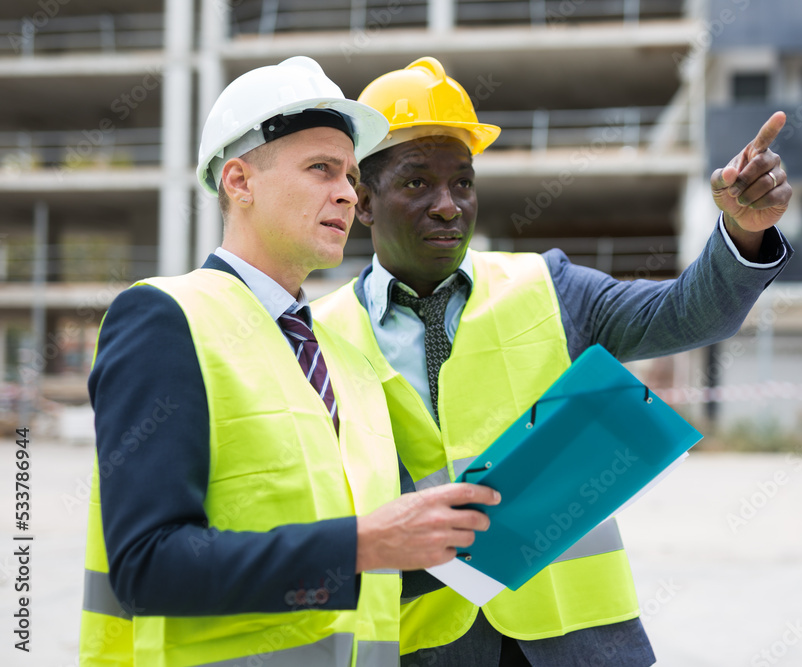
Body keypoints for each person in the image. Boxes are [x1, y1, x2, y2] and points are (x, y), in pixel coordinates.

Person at [314, 57, 794, 667]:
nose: (447, 205)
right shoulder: (317, 336)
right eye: (416, 183)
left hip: (580, 641)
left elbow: (690, 313)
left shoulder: (548, 285)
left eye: (462, 182)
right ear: (361, 200)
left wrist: (743, 234)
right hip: (425, 645)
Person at [79, 56, 499, 667]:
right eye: (321, 169)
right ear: (239, 182)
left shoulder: (348, 364)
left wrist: (485, 534)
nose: (348, 194)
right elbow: (148, 566)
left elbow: (374, 572)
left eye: (352, 176)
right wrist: (365, 543)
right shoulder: (168, 318)